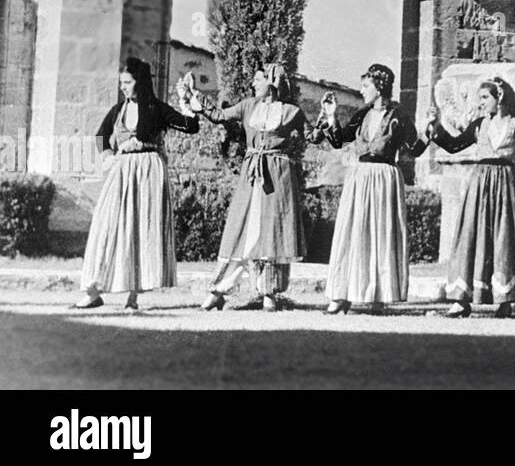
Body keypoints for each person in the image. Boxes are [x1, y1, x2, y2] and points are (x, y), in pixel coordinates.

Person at [426, 77, 515, 318]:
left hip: (506, 187)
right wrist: (434, 127)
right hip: (479, 186)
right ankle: (461, 301)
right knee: (471, 235)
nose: (480, 103)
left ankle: (505, 300)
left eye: (484, 98)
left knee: (504, 238)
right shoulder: (479, 125)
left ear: (499, 98)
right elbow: (455, 145)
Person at [179, 63, 308, 313]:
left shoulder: (292, 112)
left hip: (276, 177)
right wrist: (194, 95)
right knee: (240, 230)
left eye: (258, 80)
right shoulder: (249, 106)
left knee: (270, 232)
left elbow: (310, 136)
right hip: (251, 176)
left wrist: (330, 121)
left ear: (272, 83)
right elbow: (219, 115)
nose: (253, 84)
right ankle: (218, 291)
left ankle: (268, 292)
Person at [75, 58, 199, 311]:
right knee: (106, 226)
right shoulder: (117, 110)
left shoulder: (156, 108)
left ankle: (133, 297)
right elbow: (100, 137)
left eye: (128, 83)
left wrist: (187, 103)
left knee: (141, 229)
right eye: (121, 83)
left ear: (139, 83)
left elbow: (190, 126)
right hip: (121, 172)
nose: (123, 87)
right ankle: (93, 290)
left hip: (148, 172)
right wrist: (108, 157)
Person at [308, 63, 427, 315]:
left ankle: (377, 295)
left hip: (384, 178)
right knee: (352, 234)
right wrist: (331, 116)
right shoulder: (361, 115)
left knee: (380, 235)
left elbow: (414, 148)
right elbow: (340, 141)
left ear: (379, 86)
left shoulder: (400, 116)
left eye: (366, 86)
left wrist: (431, 130)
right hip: (359, 179)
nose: (362, 91)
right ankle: (341, 296)